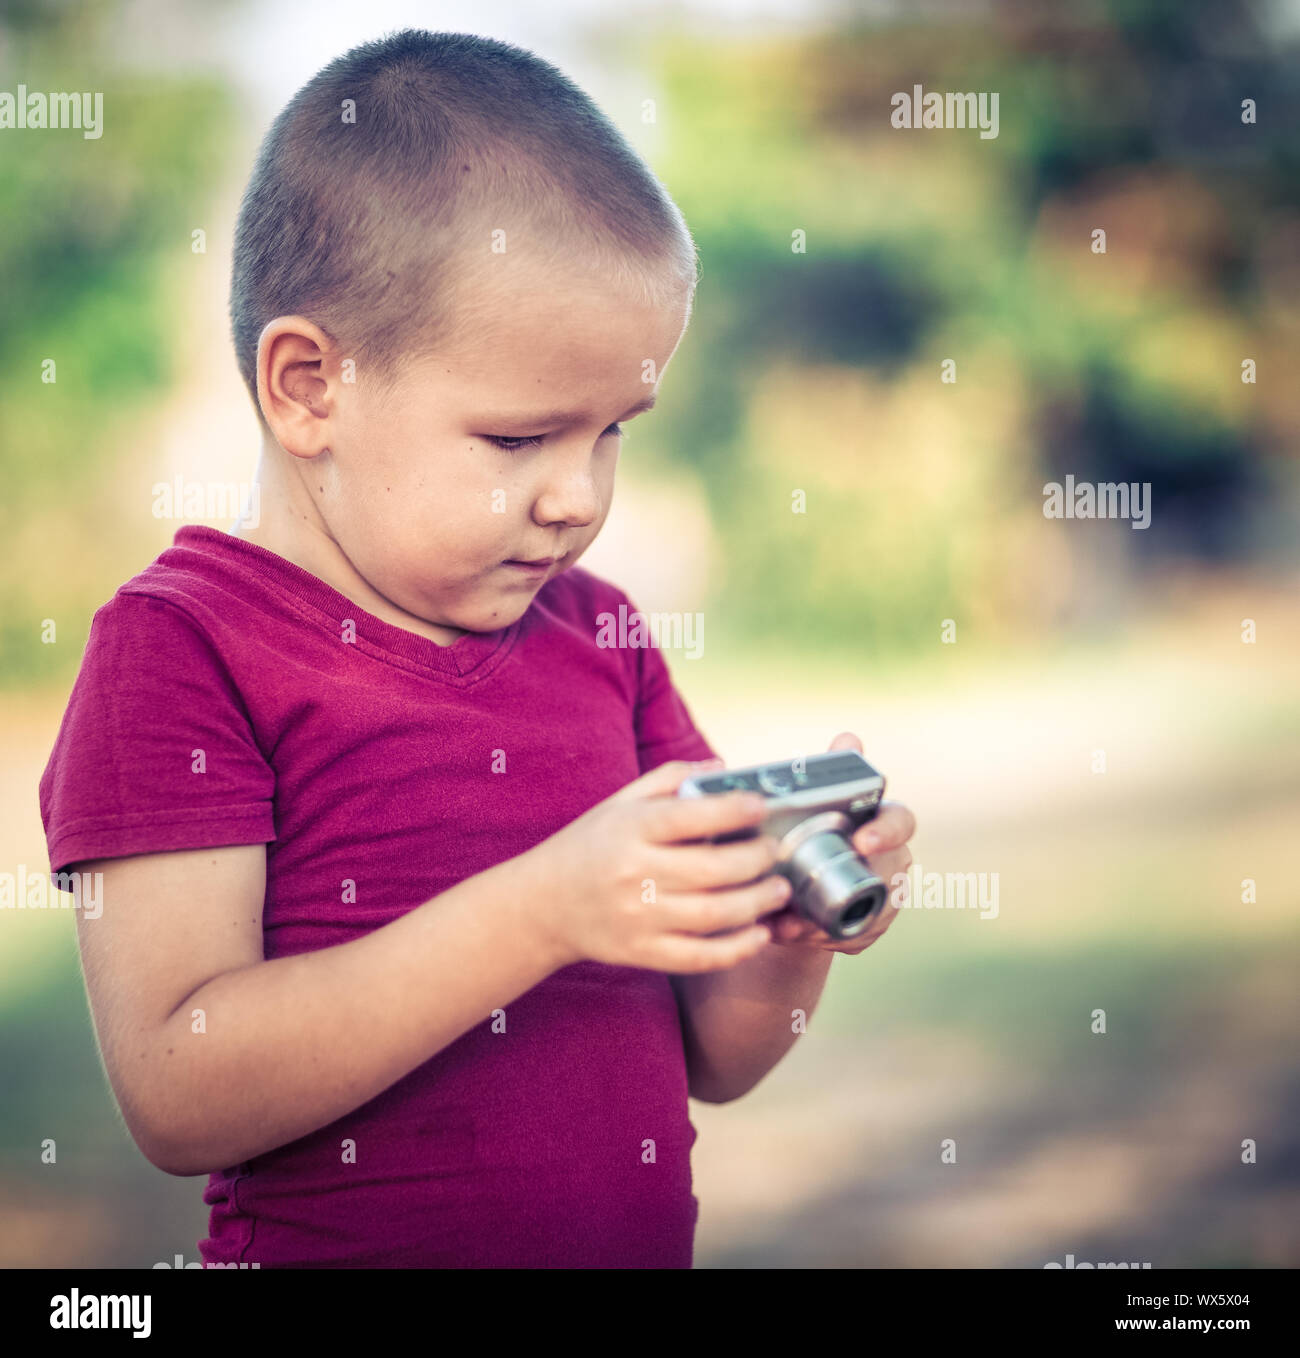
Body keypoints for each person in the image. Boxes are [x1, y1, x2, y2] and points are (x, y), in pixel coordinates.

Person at [39, 30, 914, 1268]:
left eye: (614, 430)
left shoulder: (599, 630)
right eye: (519, 439)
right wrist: (550, 908)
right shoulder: (185, 649)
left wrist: (790, 922)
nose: (578, 496)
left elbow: (720, 1057)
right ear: (308, 387)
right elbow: (178, 1092)